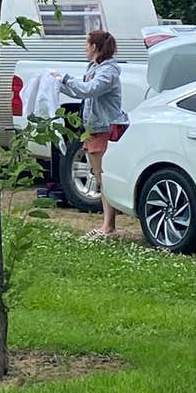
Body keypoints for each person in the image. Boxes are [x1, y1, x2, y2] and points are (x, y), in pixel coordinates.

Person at [57, 29, 125, 240]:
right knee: (99, 176)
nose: (84, 48)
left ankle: (108, 226)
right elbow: (81, 91)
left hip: (105, 129)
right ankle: (107, 224)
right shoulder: (93, 67)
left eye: (86, 44)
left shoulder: (108, 71)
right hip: (93, 129)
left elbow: (90, 89)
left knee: (104, 178)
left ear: (95, 47)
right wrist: (58, 85)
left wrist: (66, 78)